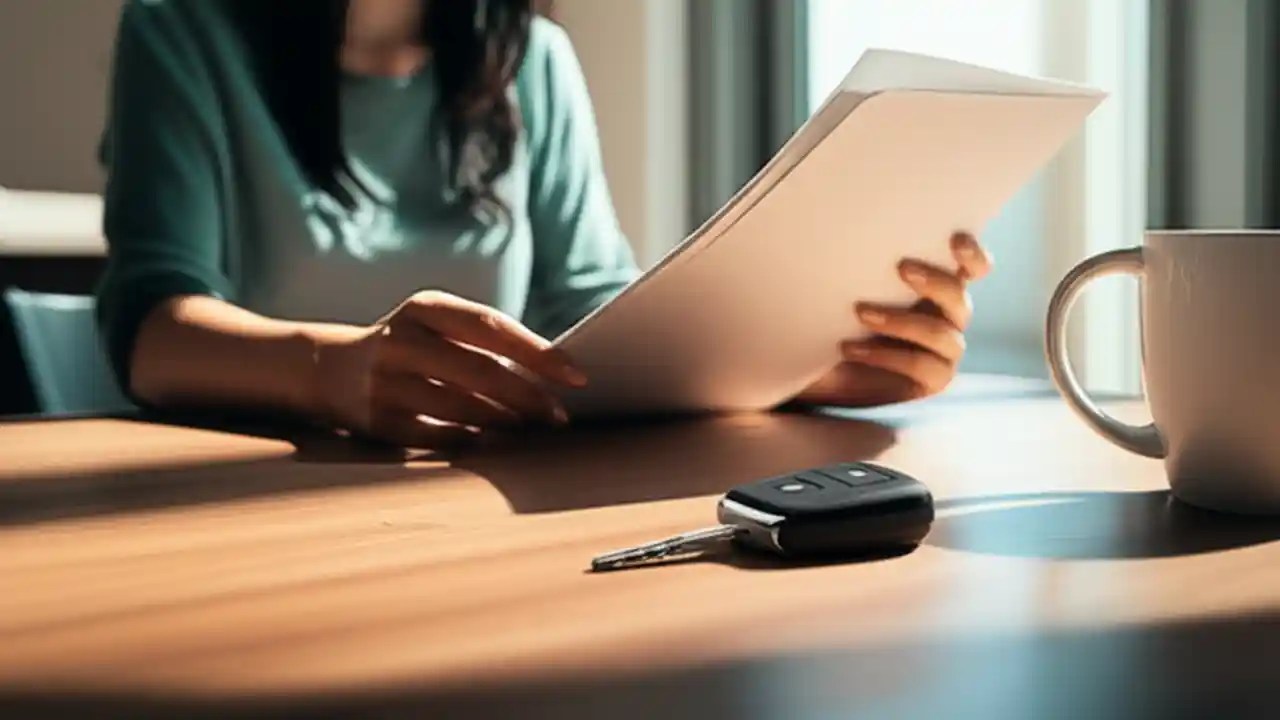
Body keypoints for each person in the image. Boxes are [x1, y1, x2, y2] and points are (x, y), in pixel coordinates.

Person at [97, 0, 993, 448]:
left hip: (477, 502)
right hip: (253, 500)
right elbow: (151, 325)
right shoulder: (180, 31)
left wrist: (802, 364)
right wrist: (337, 370)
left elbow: (592, 309)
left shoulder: (532, 59)